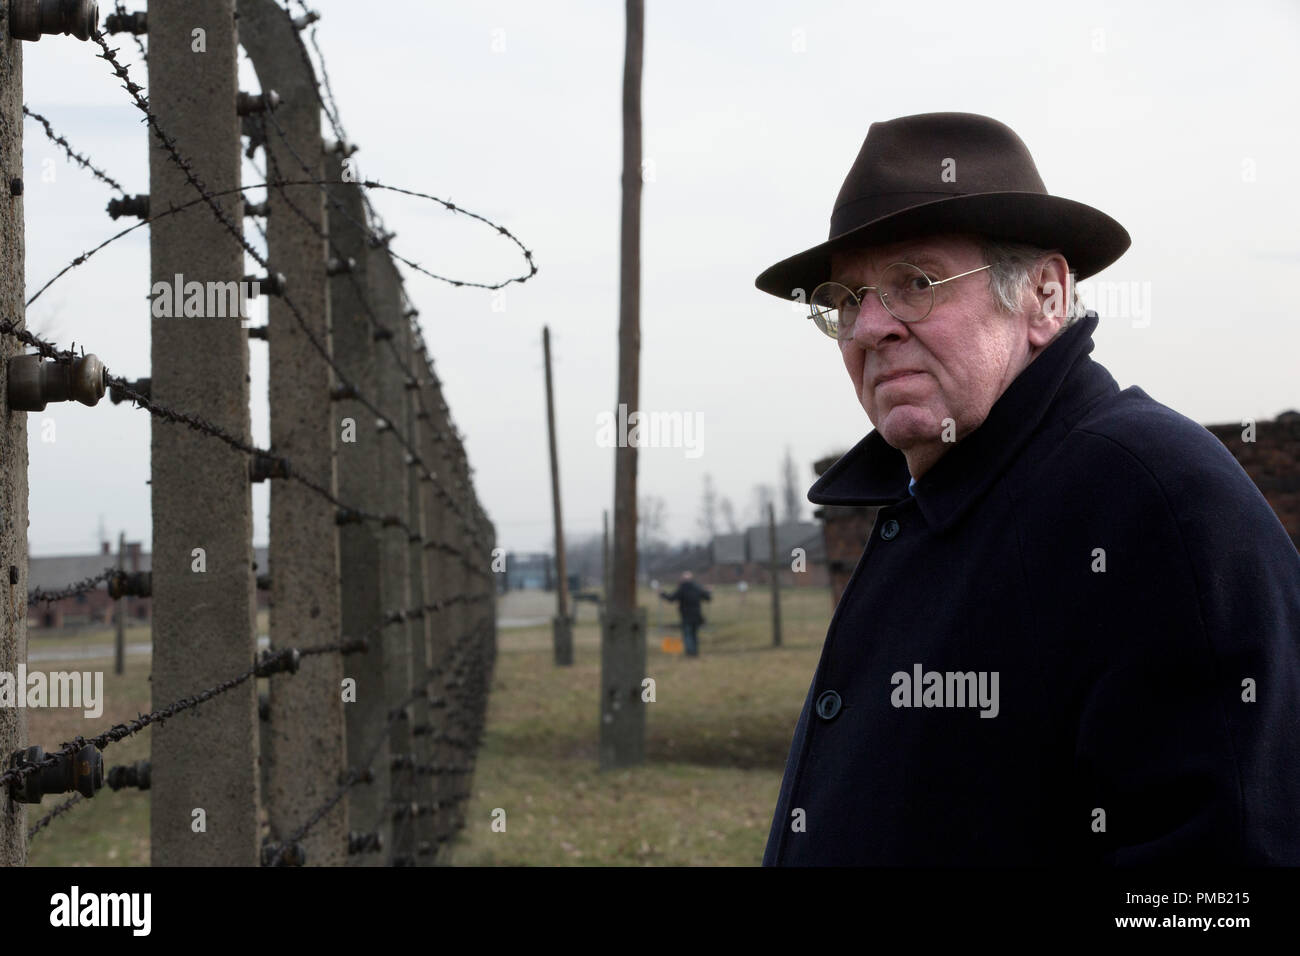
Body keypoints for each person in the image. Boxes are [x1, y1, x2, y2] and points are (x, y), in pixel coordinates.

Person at [753, 112, 1300, 865]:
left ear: (1044, 296)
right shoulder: (926, 502)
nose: (868, 327)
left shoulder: (1150, 498)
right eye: (847, 298)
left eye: (916, 282)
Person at [659, 571, 711, 658]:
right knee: (694, 635)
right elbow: (707, 598)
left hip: (686, 616)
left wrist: (662, 594)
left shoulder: (682, 589)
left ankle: (690, 653)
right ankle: (695, 652)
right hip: (697, 616)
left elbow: (671, 598)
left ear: (683, 579)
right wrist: (709, 591)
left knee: (687, 635)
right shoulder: (697, 588)